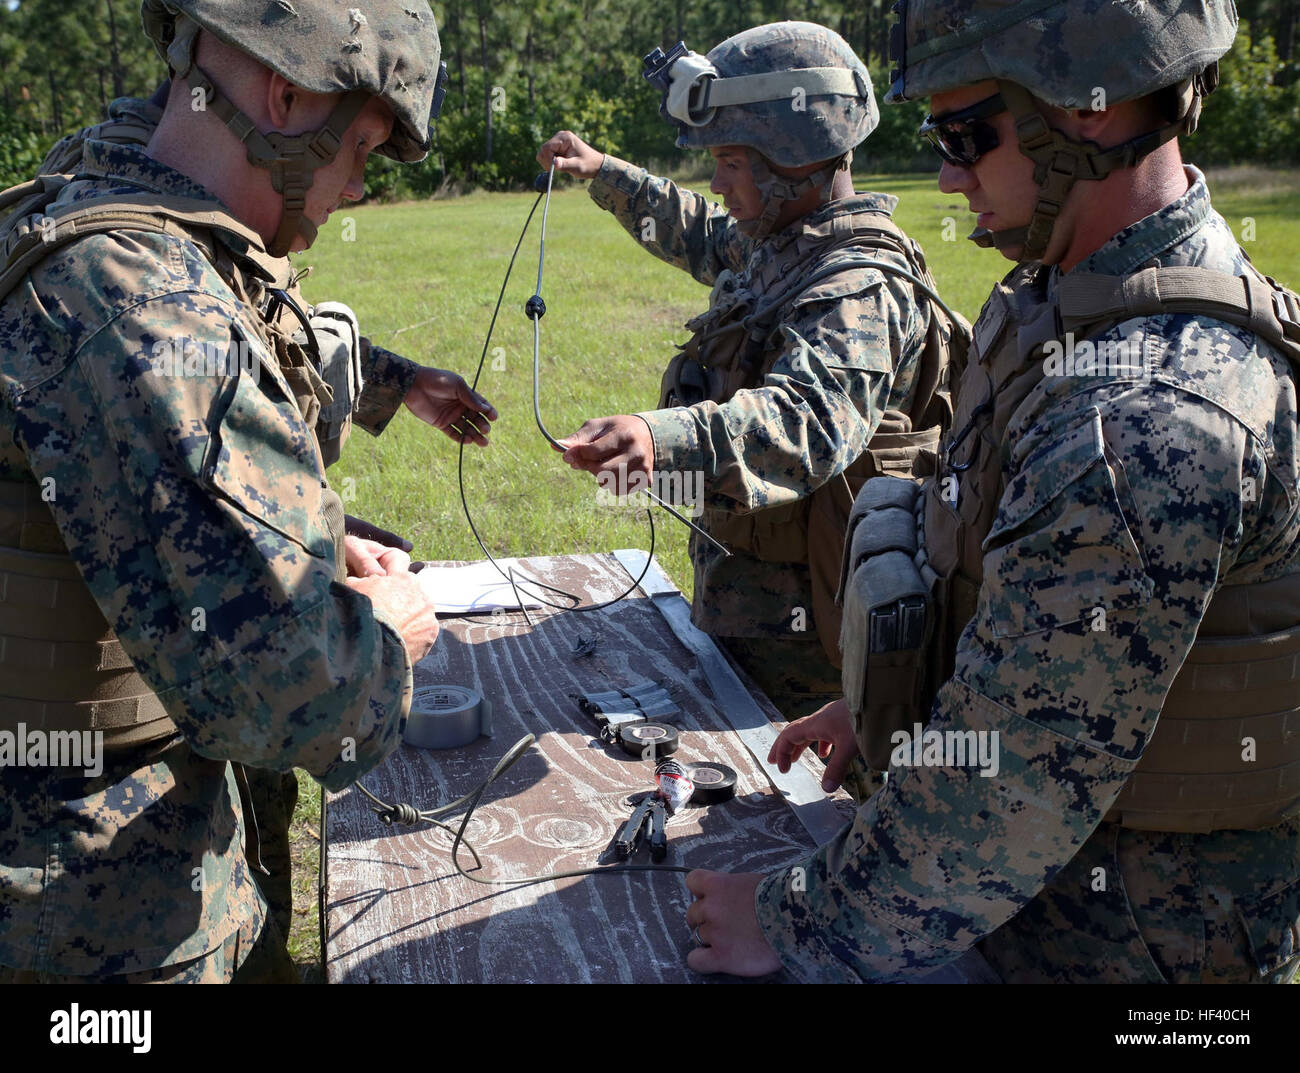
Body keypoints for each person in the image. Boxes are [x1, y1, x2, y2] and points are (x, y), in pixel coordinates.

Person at [683, 0, 1300, 983]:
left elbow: (1019, 774)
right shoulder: (1063, 299)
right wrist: (891, 697)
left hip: (1108, 953)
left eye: (967, 134)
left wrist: (796, 919)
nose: (944, 173)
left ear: (1086, 115)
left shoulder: (1149, 407)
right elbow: (991, 561)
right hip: (1012, 907)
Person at [0, 0, 495, 983]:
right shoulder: (141, 294)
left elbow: (138, 513)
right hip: (96, 908)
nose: (354, 187)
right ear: (287, 94)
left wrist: (312, 541)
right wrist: (384, 631)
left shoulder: (98, 199)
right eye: (359, 149)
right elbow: (287, 692)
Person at [537, 22, 966, 755]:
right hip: (750, 621)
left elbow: (806, 425)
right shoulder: (784, 242)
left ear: (795, 161)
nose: (717, 182)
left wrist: (658, 438)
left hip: (812, 659)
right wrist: (603, 169)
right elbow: (702, 232)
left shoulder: (856, 288)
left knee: (784, 822)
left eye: (731, 162)